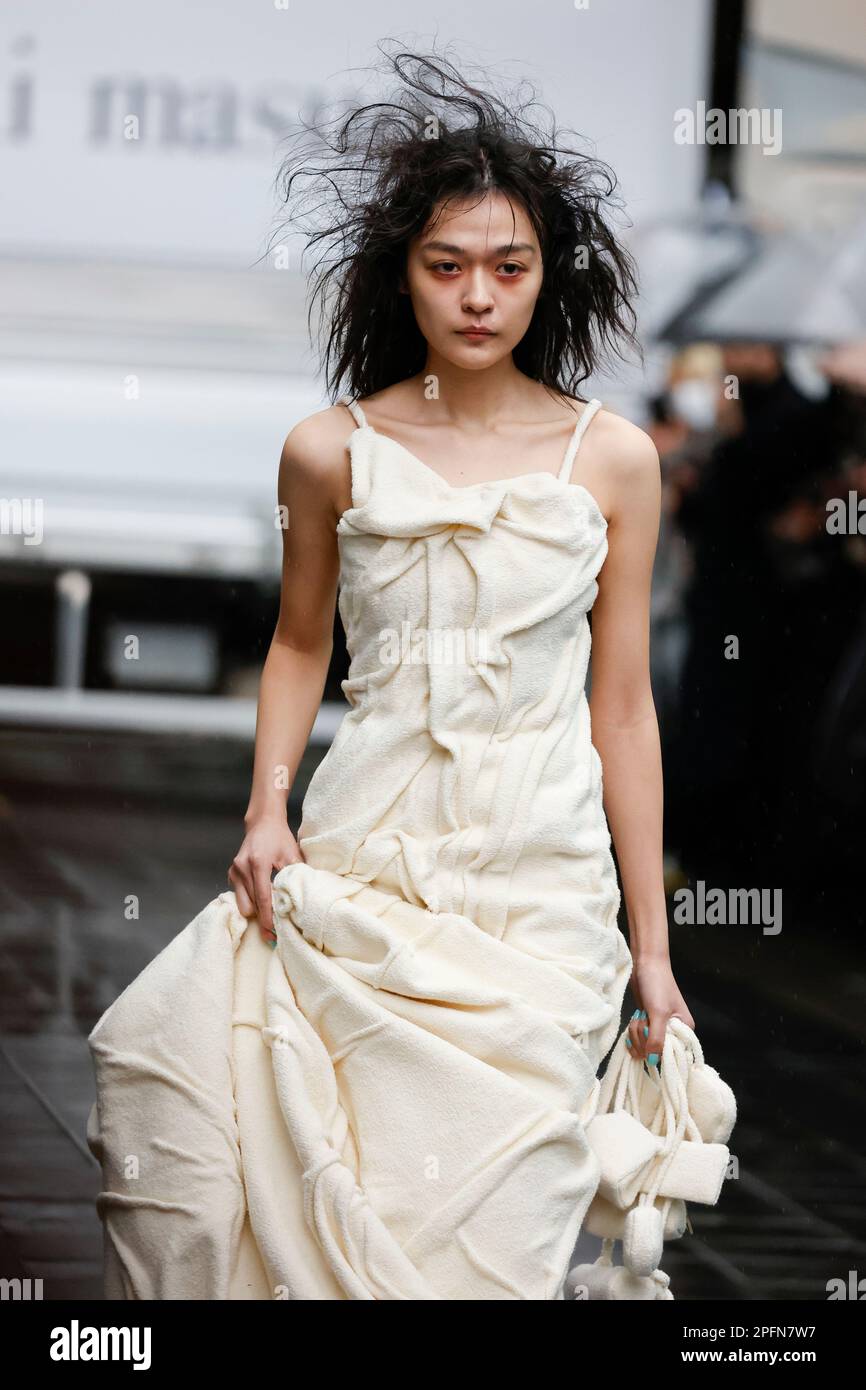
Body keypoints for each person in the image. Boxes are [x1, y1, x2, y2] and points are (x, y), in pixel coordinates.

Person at [86, 45, 694, 1301]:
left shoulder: (612, 460)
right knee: (318, 1168)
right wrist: (266, 808)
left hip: (541, 892)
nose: (479, 295)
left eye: (508, 267)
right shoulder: (329, 451)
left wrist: (653, 946)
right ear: (402, 278)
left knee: (498, 1218)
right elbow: (300, 641)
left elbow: (619, 705)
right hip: (365, 857)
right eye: (447, 265)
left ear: (545, 279)